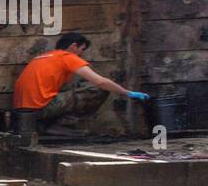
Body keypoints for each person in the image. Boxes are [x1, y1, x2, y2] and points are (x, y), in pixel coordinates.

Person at [12, 32, 148, 129]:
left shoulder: (44, 57)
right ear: (73, 46)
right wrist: (128, 92)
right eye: (81, 49)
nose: (81, 54)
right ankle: (62, 126)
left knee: (72, 89)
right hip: (41, 110)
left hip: (22, 112)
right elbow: (100, 82)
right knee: (98, 89)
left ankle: (48, 125)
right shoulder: (67, 57)